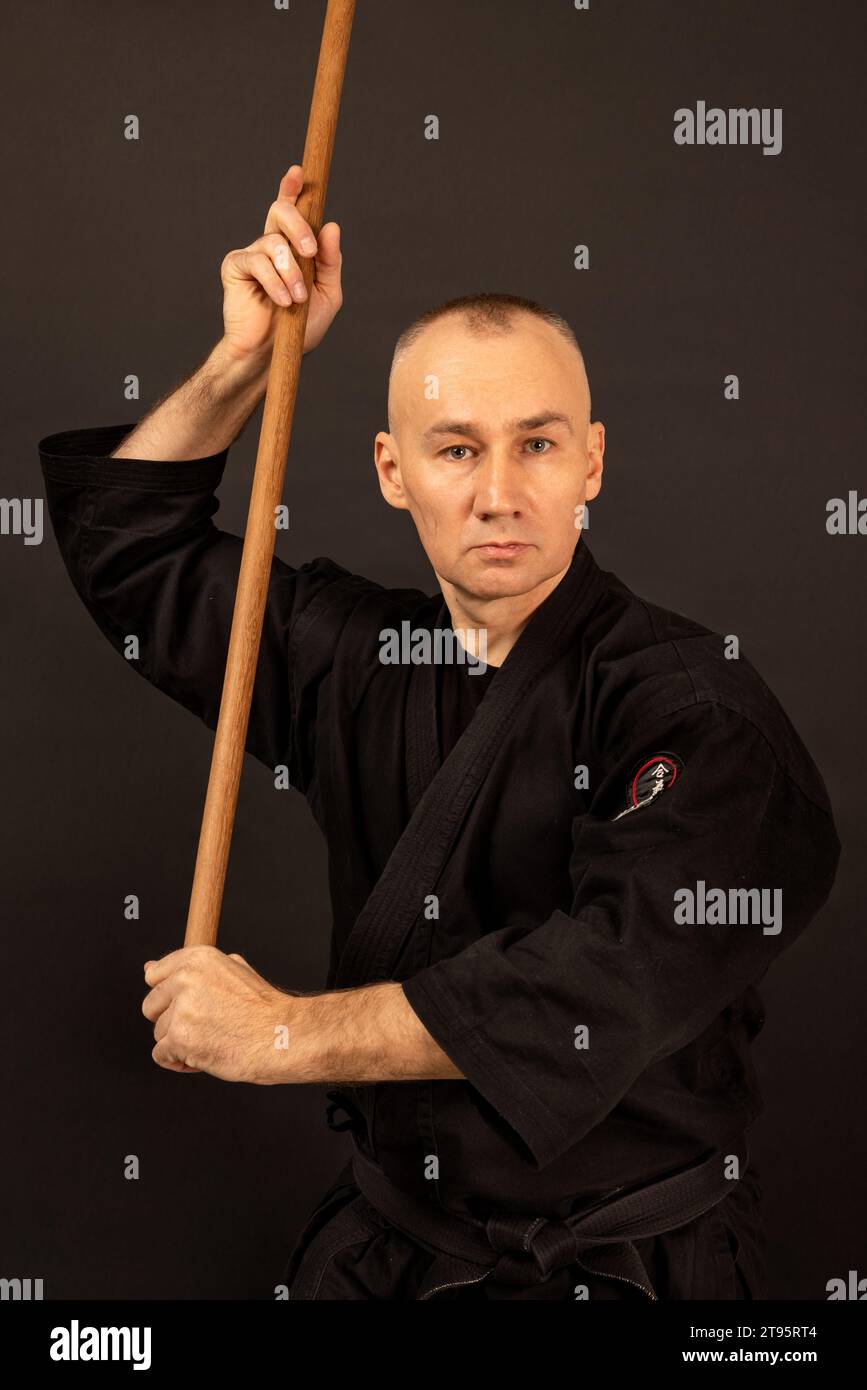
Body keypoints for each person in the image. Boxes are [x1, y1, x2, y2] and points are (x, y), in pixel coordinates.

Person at [38, 164, 840, 1301]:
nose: (501, 492)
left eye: (540, 445)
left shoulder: (692, 708)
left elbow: (595, 982)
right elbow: (129, 554)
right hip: (395, 1256)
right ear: (393, 472)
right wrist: (244, 365)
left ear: (593, 462)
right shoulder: (349, 661)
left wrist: (279, 1036)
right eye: (457, 448)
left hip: (635, 1268)